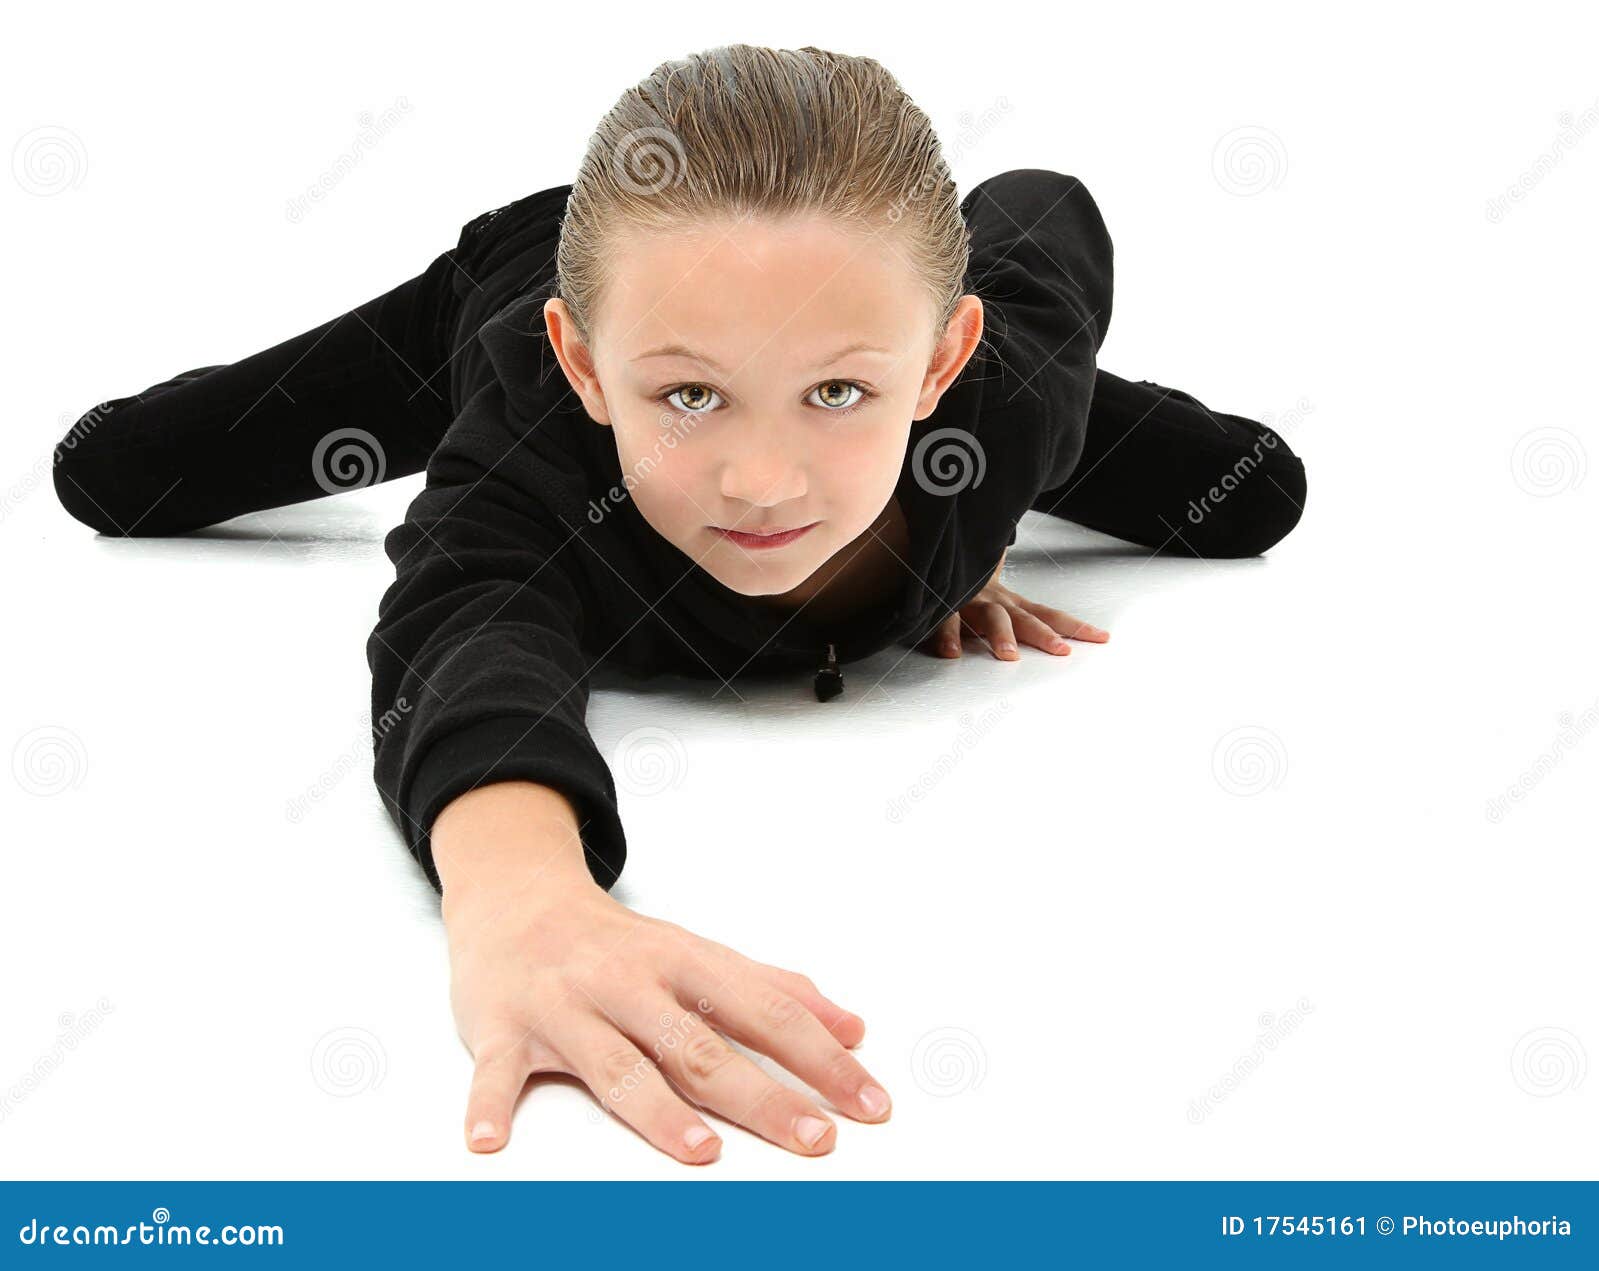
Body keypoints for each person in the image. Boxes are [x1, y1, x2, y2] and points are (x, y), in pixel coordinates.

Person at [52, 44, 1307, 1166]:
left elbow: (1045, 204)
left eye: (837, 393)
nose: (761, 484)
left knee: (1249, 494)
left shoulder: (1004, 401)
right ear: (588, 366)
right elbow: (467, 616)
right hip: (509, 287)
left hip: (803, 318)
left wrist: (975, 528)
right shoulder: (540, 434)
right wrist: (523, 895)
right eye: (690, 398)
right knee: (114, 474)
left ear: (941, 361)